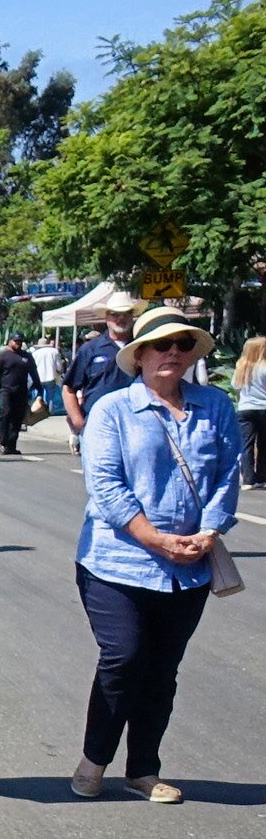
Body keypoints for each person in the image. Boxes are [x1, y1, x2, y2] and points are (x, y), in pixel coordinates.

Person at [71, 305, 244, 803]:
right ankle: (94, 759)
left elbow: (228, 475)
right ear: (139, 354)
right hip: (116, 562)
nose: (173, 352)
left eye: (183, 345)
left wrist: (208, 533)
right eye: (161, 344)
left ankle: (144, 769)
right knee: (123, 658)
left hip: (188, 567)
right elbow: (106, 485)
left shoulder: (215, 406)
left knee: (162, 669)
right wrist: (156, 538)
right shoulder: (113, 410)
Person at [64, 295, 141, 451]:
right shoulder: (90, 349)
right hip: (99, 427)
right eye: (115, 314)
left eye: (126, 313)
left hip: (138, 426)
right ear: (106, 316)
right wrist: (79, 422)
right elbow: (69, 389)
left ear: (132, 316)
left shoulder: (142, 347)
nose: (121, 318)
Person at [0, 333, 37, 456]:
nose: (18, 344)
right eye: (15, 341)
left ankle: (12, 445)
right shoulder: (3, 356)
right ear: (10, 341)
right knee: (5, 414)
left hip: (21, 391)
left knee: (17, 418)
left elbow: (34, 373)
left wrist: (39, 389)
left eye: (20, 342)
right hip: (5, 390)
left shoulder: (26, 357)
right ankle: (3, 443)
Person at [234, 335, 266, 488]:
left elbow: (235, 385)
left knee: (246, 444)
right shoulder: (264, 367)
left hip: (245, 408)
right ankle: (261, 477)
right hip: (264, 408)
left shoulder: (242, 366)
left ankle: (247, 479)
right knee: (263, 444)